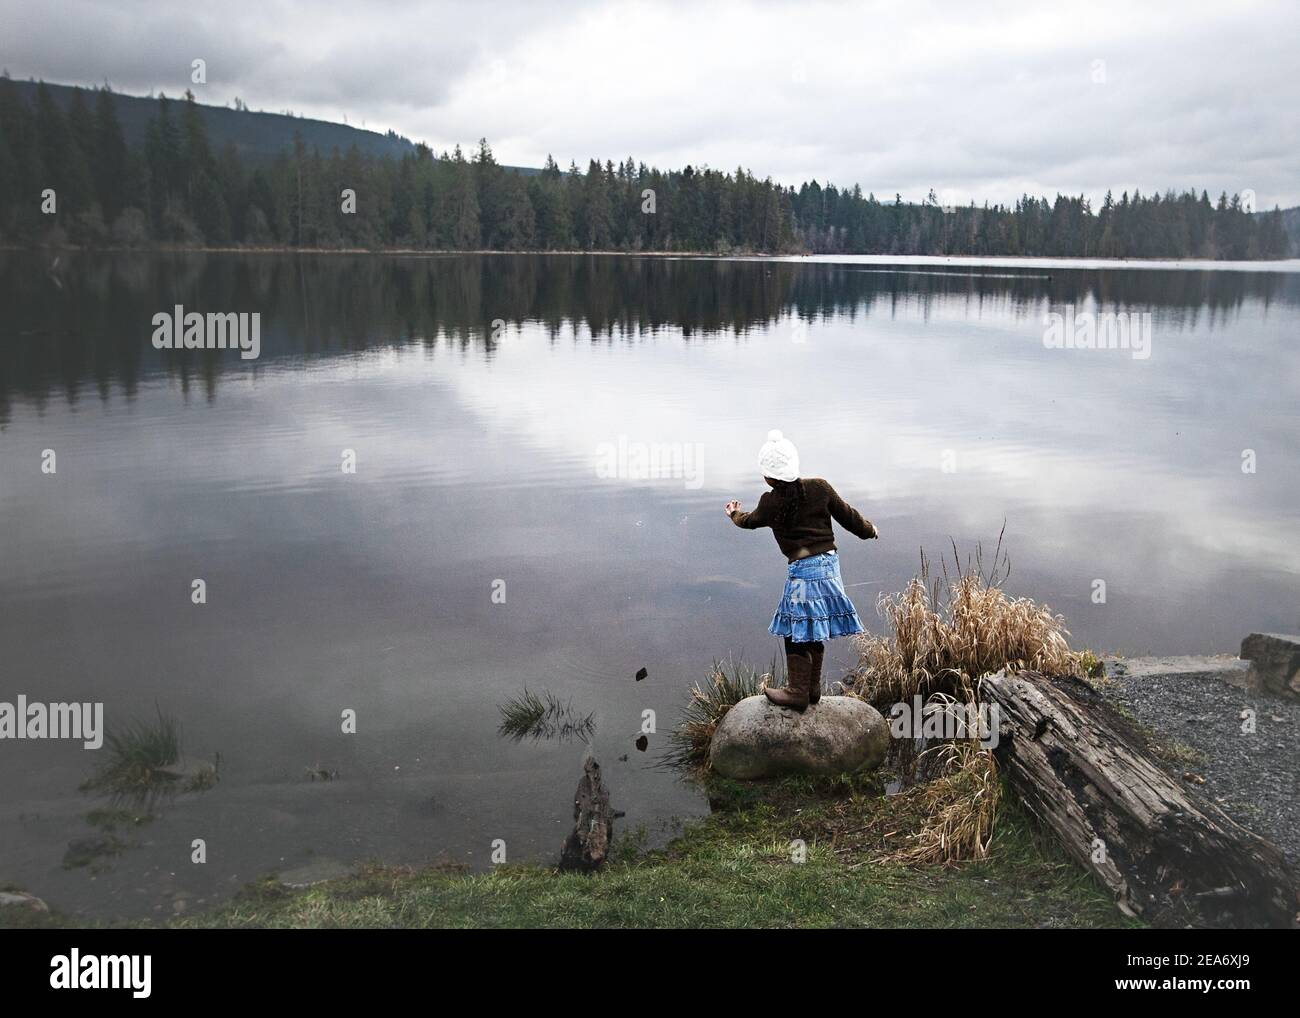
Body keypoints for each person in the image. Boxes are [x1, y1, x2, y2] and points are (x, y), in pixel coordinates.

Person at [724, 430, 878, 711]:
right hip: (830, 566)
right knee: (813, 624)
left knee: (795, 630)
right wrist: (870, 530)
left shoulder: (770, 502)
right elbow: (849, 516)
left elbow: (749, 521)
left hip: (803, 571)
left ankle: (797, 691)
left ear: (768, 476)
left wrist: (734, 513)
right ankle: (813, 689)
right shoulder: (820, 487)